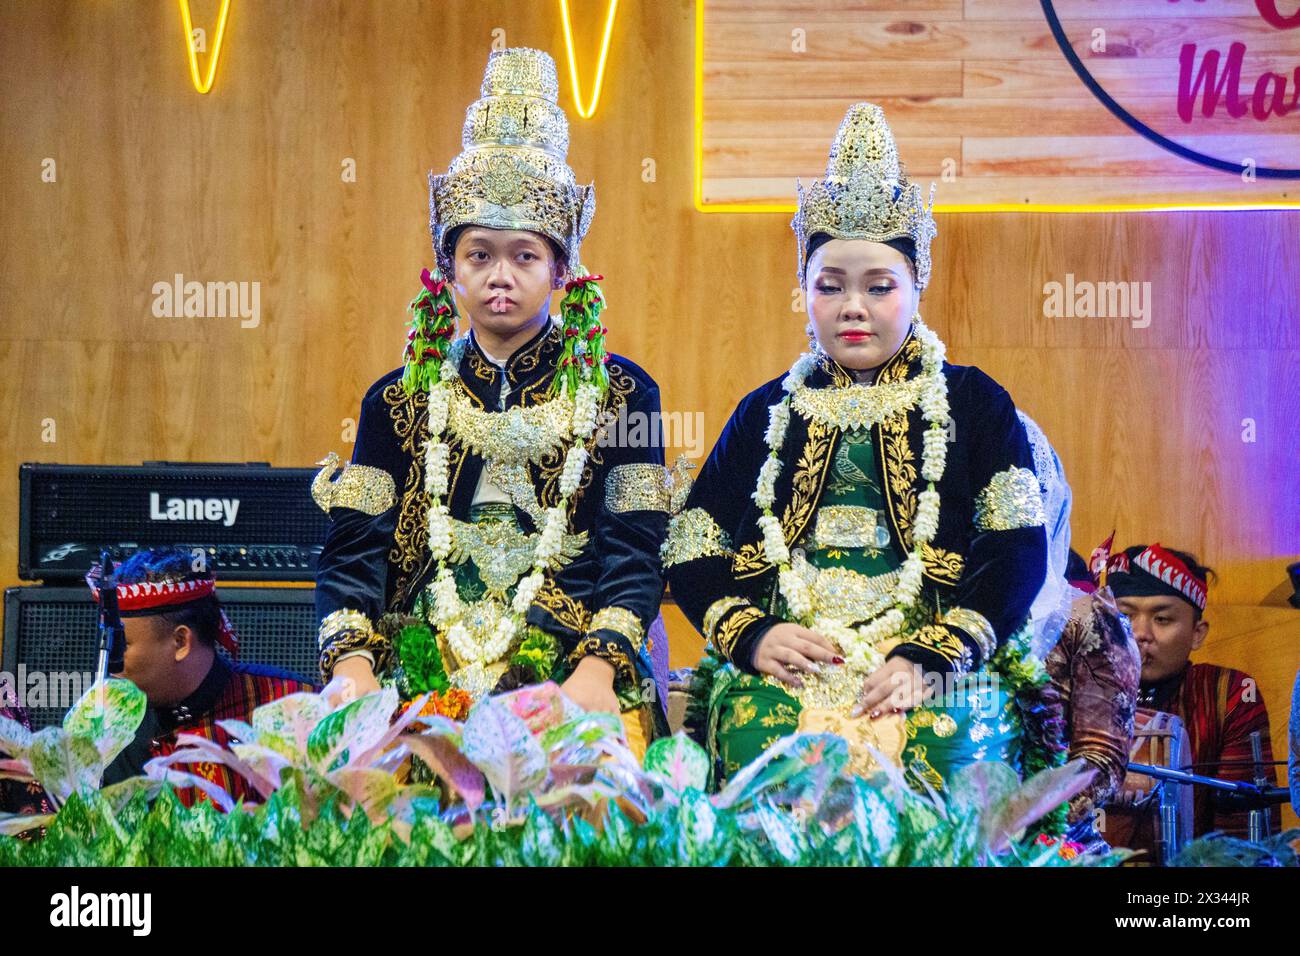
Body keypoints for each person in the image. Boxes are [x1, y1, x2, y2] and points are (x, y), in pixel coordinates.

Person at [666, 103, 1048, 789]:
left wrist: (931, 657)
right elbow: (694, 544)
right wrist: (753, 635)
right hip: (795, 656)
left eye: (880, 287)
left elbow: (1018, 545)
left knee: (952, 729)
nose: (853, 307)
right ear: (805, 293)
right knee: (756, 719)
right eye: (829, 286)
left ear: (915, 289)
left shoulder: (973, 401)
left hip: (934, 656)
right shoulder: (766, 411)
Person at [314, 48, 669, 755]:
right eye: (479, 255)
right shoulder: (399, 400)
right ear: (448, 269)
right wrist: (352, 664)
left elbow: (635, 554)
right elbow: (356, 555)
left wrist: (599, 669)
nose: (500, 277)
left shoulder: (624, 393)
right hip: (421, 661)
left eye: (525, 256)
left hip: (576, 656)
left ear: (563, 270)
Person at [97, 548, 316, 807]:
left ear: (181, 641)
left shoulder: (291, 703)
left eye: (123, 644)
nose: (111, 664)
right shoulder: (114, 727)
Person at [1101, 541, 1279, 838]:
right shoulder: (1076, 692)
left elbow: (1239, 844)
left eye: (1162, 619)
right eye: (1125, 616)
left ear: (1197, 634)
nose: (1141, 634)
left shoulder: (1228, 694)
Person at [1020, 413, 1140, 841]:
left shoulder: (1086, 617)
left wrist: (1015, 827)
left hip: (1046, 843)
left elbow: (1100, 760)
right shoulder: (931, 611)